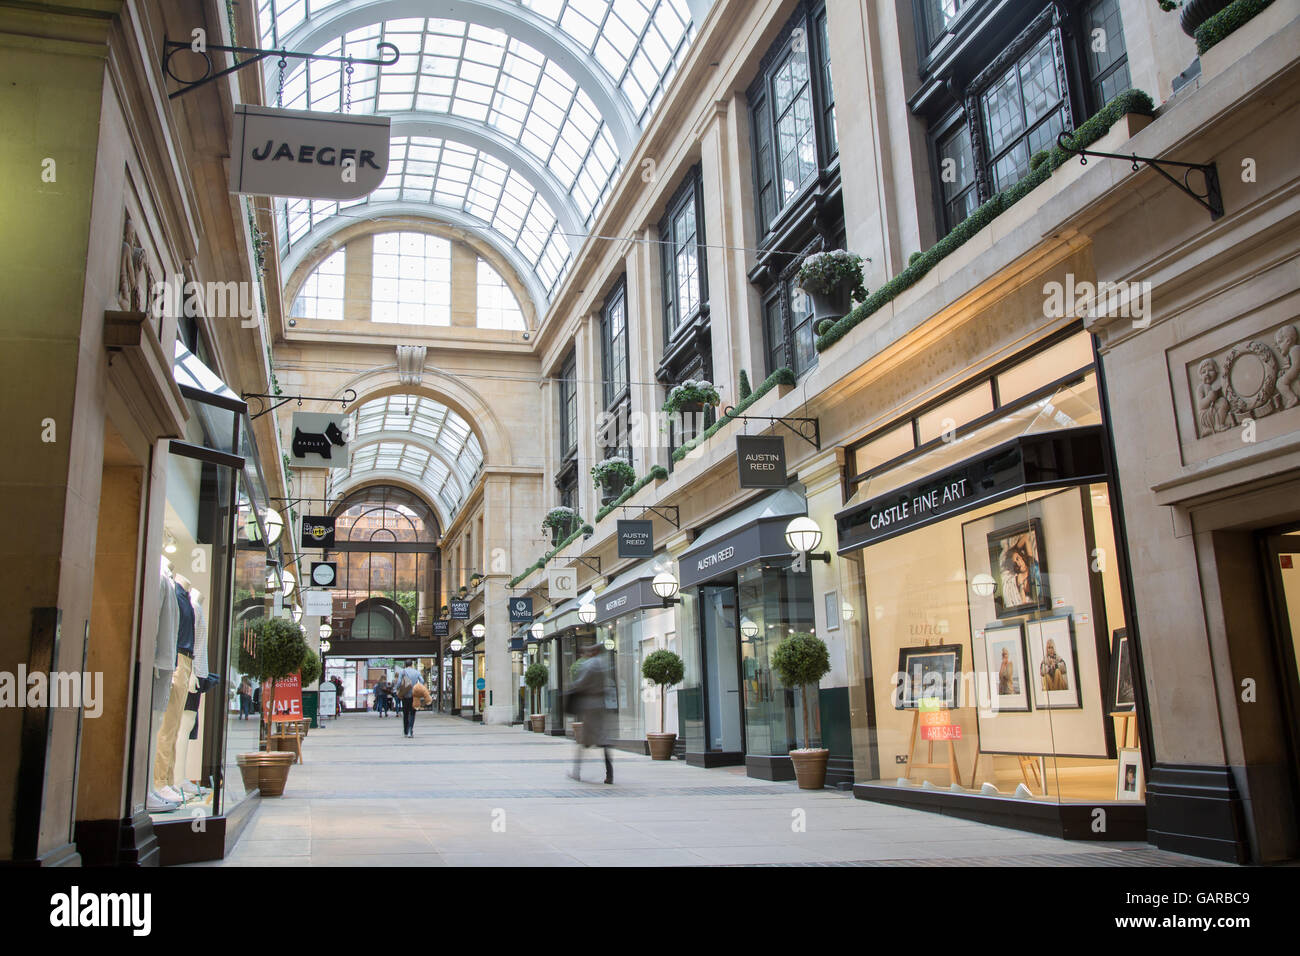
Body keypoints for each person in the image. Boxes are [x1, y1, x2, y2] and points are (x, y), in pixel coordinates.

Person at [567, 644, 615, 784]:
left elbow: (581, 683)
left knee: (584, 740)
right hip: (600, 704)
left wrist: (573, 688)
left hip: (589, 706)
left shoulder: (589, 665)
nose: (586, 653)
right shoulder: (603, 664)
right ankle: (609, 773)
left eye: (588, 650)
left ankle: (577, 772)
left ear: (594, 651)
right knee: (602, 739)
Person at [395, 661, 422, 738]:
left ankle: (406, 731)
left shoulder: (402, 672)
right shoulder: (416, 672)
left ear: (405, 665)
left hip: (405, 695)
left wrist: (397, 689)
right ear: (412, 665)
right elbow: (422, 681)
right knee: (413, 713)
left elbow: (399, 682)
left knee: (406, 713)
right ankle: (411, 729)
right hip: (414, 695)